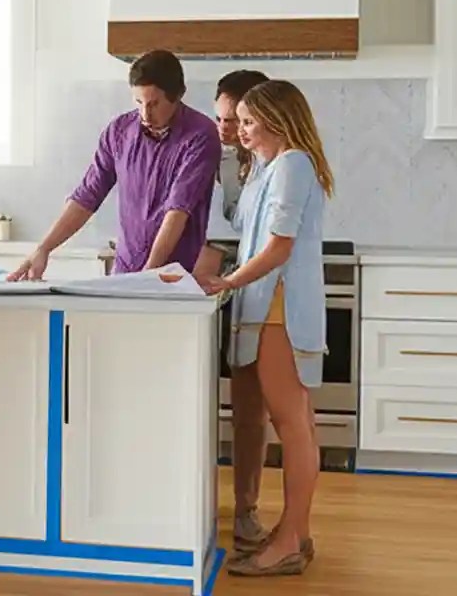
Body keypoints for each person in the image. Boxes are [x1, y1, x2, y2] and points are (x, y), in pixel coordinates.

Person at [201, 79, 334, 578]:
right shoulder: (267, 168)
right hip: (265, 306)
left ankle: (289, 542)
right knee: (295, 423)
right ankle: (294, 534)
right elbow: (250, 229)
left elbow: (278, 246)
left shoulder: (294, 163)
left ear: (277, 121)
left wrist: (228, 281)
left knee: (293, 426)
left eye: (250, 122)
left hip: (280, 308)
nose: (241, 130)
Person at [7, 49, 219, 280]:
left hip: (171, 276)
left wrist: (149, 275)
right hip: (125, 270)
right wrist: (44, 248)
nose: (145, 114)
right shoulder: (119, 132)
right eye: (139, 102)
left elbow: (178, 209)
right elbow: (87, 195)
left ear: (178, 95)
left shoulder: (200, 135)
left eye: (154, 104)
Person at [193, 69, 270, 280]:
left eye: (232, 120)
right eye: (218, 119)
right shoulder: (226, 159)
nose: (222, 128)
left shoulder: (279, 164)